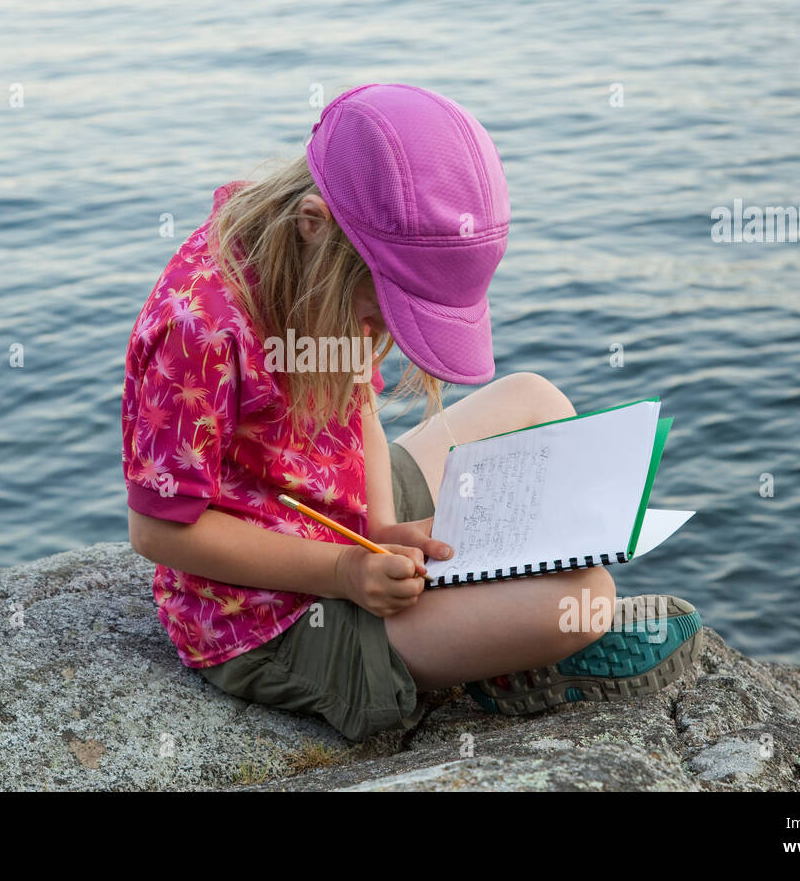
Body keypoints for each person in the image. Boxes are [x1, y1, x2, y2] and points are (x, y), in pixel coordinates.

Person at [122, 83, 701, 741]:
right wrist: (344, 570)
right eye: (384, 316)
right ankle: (505, 666)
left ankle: (488, 629)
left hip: (337, 504)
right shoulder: (198, 327)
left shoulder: (310, 256)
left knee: (535, 400)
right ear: (314, 225)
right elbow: (158, 534)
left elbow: (355, 399)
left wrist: (380, 524)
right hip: (273, 610)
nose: (385, 338)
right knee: (584, 599)